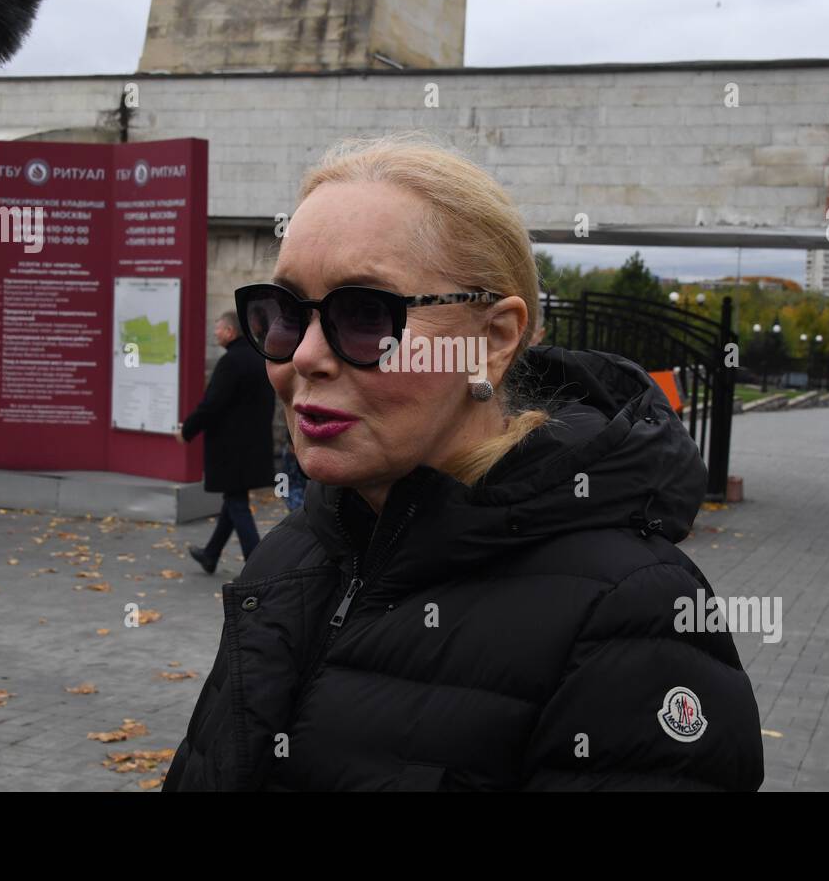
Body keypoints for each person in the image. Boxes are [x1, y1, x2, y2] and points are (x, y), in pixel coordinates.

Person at [163, 135, 763, 792]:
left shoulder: (633, 616)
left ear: (492, 342)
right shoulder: (293, 553)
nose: (304, 356)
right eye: (282, 314)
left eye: (365, 313)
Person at [177, 311, 276, 574]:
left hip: (232, 448)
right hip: (254, 446)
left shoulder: (230, 362)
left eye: (218, 328)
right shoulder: (260, 358)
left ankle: (259, 565)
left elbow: (212, 405)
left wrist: (187, 430)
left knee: (236, 502)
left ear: (231, 332)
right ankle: (210, 554)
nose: (215, 333)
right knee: (234, 498)